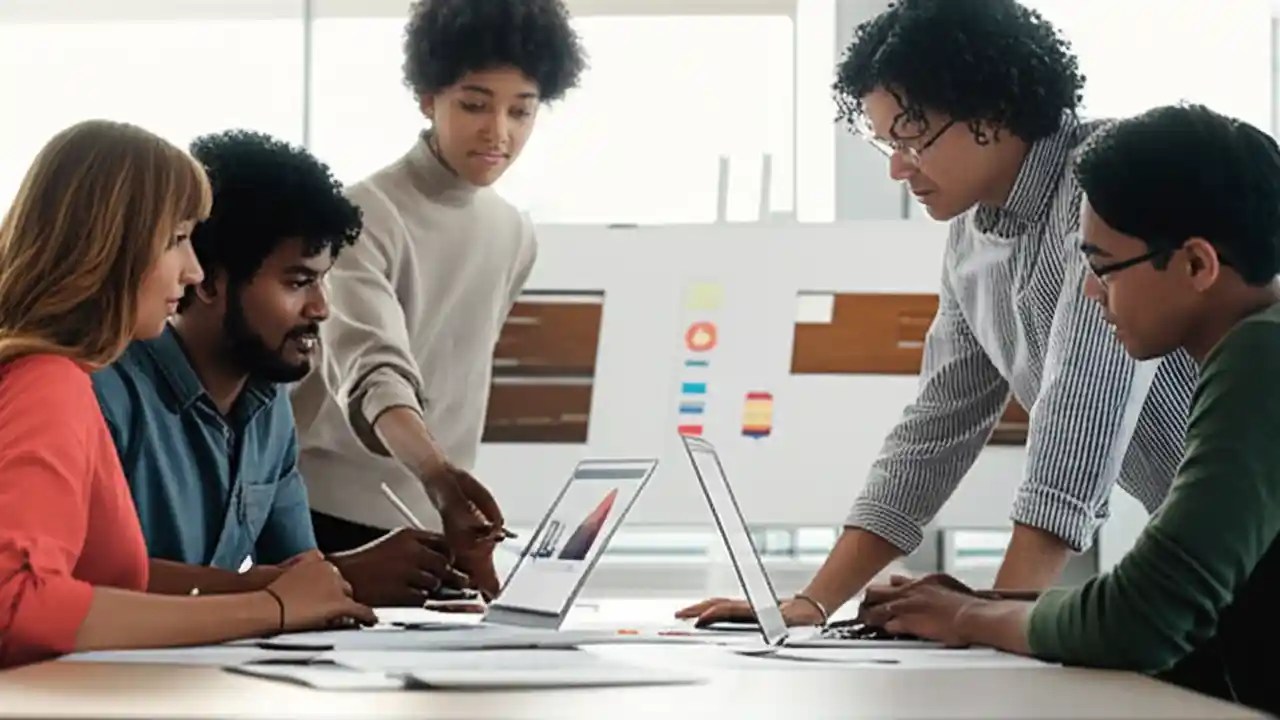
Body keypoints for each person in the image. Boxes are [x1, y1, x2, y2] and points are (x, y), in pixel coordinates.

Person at [680, 0, 1198, 628]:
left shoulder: (1107, 180)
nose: (899, 167)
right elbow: (935, 426)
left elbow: (1082, 407)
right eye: (884, 144)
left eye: (913, 136)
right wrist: (812, 603)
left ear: (994, 109)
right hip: (1218, 535)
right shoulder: (972, 236)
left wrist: (993, 619)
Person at [857, 103, 1280, 715]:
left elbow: (1146, 617)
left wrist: (975, 616)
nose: (1089, 290)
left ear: (1196, 264)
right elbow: (1185, 609)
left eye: (1103, 268)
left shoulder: (1262, 356)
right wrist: (984, 608)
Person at [0, 119, 375, 668]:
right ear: (114, 248)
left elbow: (91, 577)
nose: (193, 268)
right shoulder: (46, 382)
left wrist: (258, 591)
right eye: (177, 240)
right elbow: (16, 606)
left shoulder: (62, 379)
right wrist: (267, 607)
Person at [93, 129, 468, 607]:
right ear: (206, 282)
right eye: (298, 282)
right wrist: (333, 576)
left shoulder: (269, 408)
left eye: (323, 281)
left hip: (203, 674)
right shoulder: (102, 391)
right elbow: (89, 578)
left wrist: (426, 579)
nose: (321, 308)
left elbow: (300, 573)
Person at [290, 0, 587, 597]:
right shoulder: (364, 214)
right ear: (428, 98)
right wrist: (438, 476)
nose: (498, 131)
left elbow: (457, 376)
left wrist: (448, 493)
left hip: (440, 513)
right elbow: (375, 374)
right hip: (333, 515)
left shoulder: (513, 233)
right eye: (474, 105)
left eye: (521, 112)